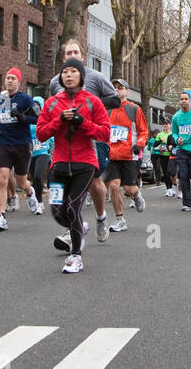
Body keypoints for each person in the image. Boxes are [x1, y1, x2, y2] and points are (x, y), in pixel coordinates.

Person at [37, 57, 111, 273]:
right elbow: (41, 134)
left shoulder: (92, 102)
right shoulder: (51, 103)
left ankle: (75, 256)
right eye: (65, 72)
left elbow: (105, 133)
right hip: (59, 165)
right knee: (58, 211)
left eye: (73, 71)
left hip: (84, 164)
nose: (68, 75)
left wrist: (82, 122)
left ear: (81, 76)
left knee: (72, 206)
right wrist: (59, 120)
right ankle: (79, 226)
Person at [47, 38, 121, 245]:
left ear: (82, 56)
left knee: (95, 183)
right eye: (68, 54)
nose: (72, 57)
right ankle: (74, 227)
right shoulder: (56, 83)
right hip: (64, 141)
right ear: (63, 58)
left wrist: (88, 106)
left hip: (92, 136)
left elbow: (115, 99)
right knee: (64, 190)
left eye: (75, 53)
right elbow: (51, 109)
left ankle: (100, 217)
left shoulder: (96, 78)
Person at [0, 68, 41, 231]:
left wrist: (22, 117)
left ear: (19, 82)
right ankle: (1, 216)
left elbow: (38, 118)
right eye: (7, 78)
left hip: (22, 144)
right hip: (5, 144)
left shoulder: (25, 99)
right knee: (2, 179)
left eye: (13, 78)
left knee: (20, 182)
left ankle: (30, 191)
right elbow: (0, 118)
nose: (9, 80)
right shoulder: (0, 99)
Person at [103, 79, 149, 232]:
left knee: (129, 189)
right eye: (114, 88)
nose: (117, 90)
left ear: (127, 91)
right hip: (112, 155)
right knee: (114, 187)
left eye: (120, 88)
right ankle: (120, 219)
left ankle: (136, 195)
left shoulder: (134, 109)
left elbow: (143, 131)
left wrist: (139, 145)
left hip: (129, 155)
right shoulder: (107, 110)